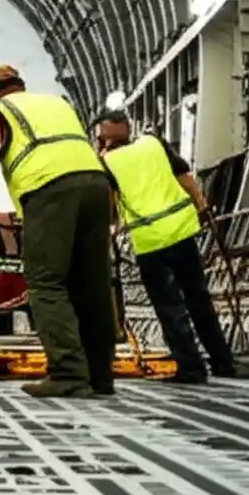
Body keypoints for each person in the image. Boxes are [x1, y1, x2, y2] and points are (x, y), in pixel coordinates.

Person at [0, 65, 117, 398]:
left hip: (50, 190)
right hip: (97, 186)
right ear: (21, 86)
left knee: (45, 281)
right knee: (93, 286)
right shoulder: (58, 104)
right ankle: (100, 377)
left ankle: (69, 373)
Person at [92, 109, 236, 382]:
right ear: (127, 128)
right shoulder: (153, 143)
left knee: (170, 307)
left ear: (104, 137)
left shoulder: (107, 163)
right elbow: (185, 178)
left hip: (151, 241)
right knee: (199, 300)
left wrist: (108, 232)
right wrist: (203, 209)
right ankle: (223, 362)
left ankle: (191, 368)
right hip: (182, 231)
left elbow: (110, 210)